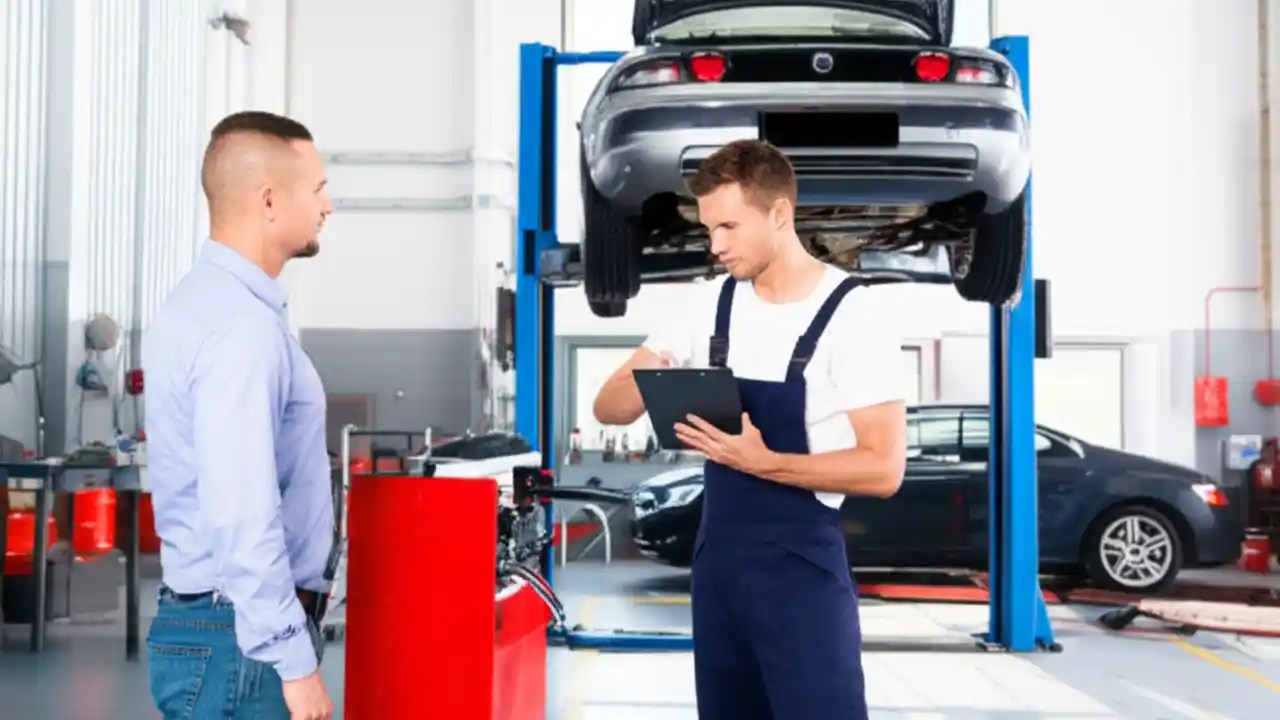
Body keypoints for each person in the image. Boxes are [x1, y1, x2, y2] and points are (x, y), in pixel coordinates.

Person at [592, 139, 908, 719]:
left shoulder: (853, 314)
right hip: (718, 571)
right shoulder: (706, 306)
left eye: (730, 227)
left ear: (780, 214)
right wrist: (656, 366)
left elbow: (884, 468)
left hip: (802, 573)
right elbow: (608, 409)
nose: (716, 247)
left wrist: (763, 462)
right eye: (710, 230)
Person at [142, 110, 336, 720]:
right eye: (317, 191)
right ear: (271, 200)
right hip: (241, 644)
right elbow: (243, 509)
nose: (327, 208)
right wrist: (293, 660)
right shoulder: (240, 329)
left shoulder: (205, 305)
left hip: (225, 631)